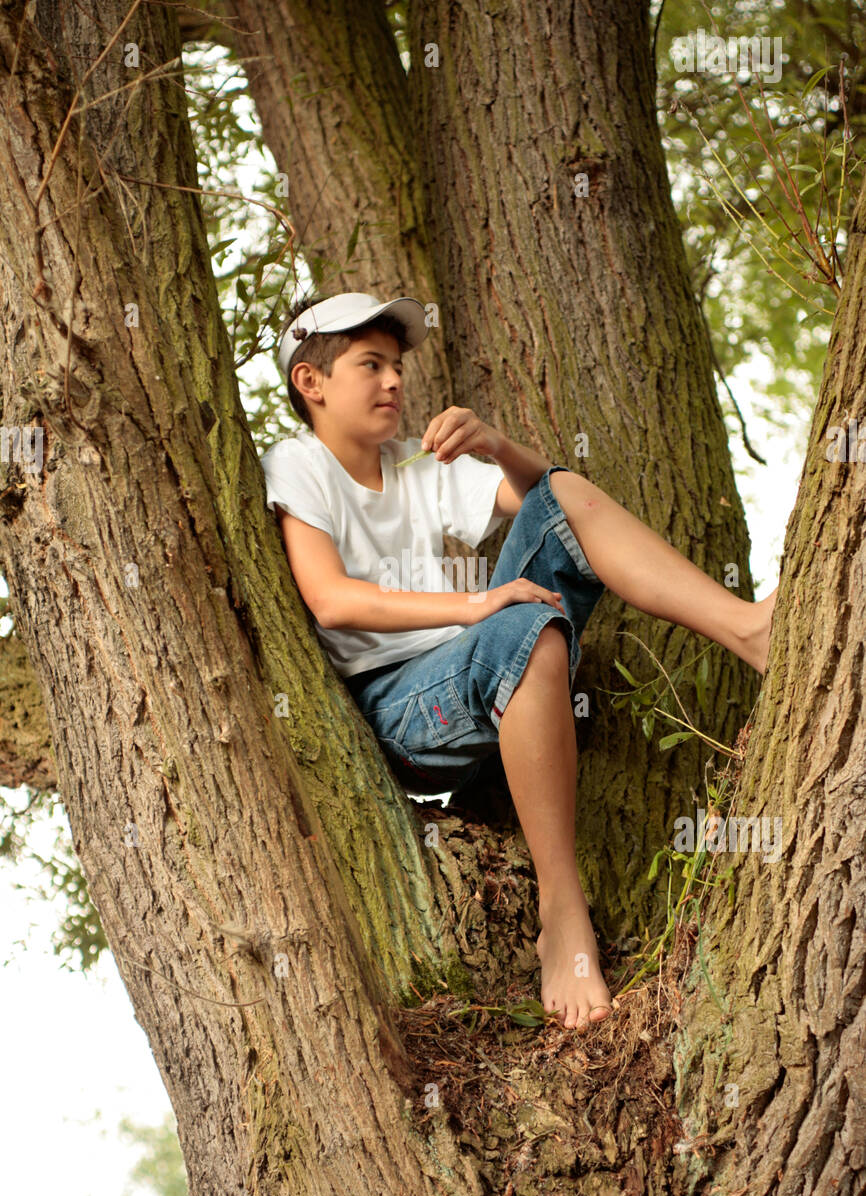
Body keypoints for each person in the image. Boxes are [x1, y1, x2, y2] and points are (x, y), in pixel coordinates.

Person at [260, 292, 778, 1033]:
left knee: (561, 489)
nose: (394, 381)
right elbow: (332, 600)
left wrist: (498, 444)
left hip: (476, 661)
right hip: (400, 708)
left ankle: (745, 630)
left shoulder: (412, 466)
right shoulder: (299, 462)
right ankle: (561, 911)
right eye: (369, 364)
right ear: (311, 383)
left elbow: (542, 498)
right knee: (522, 626)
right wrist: (473, 606)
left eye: (398, 366)